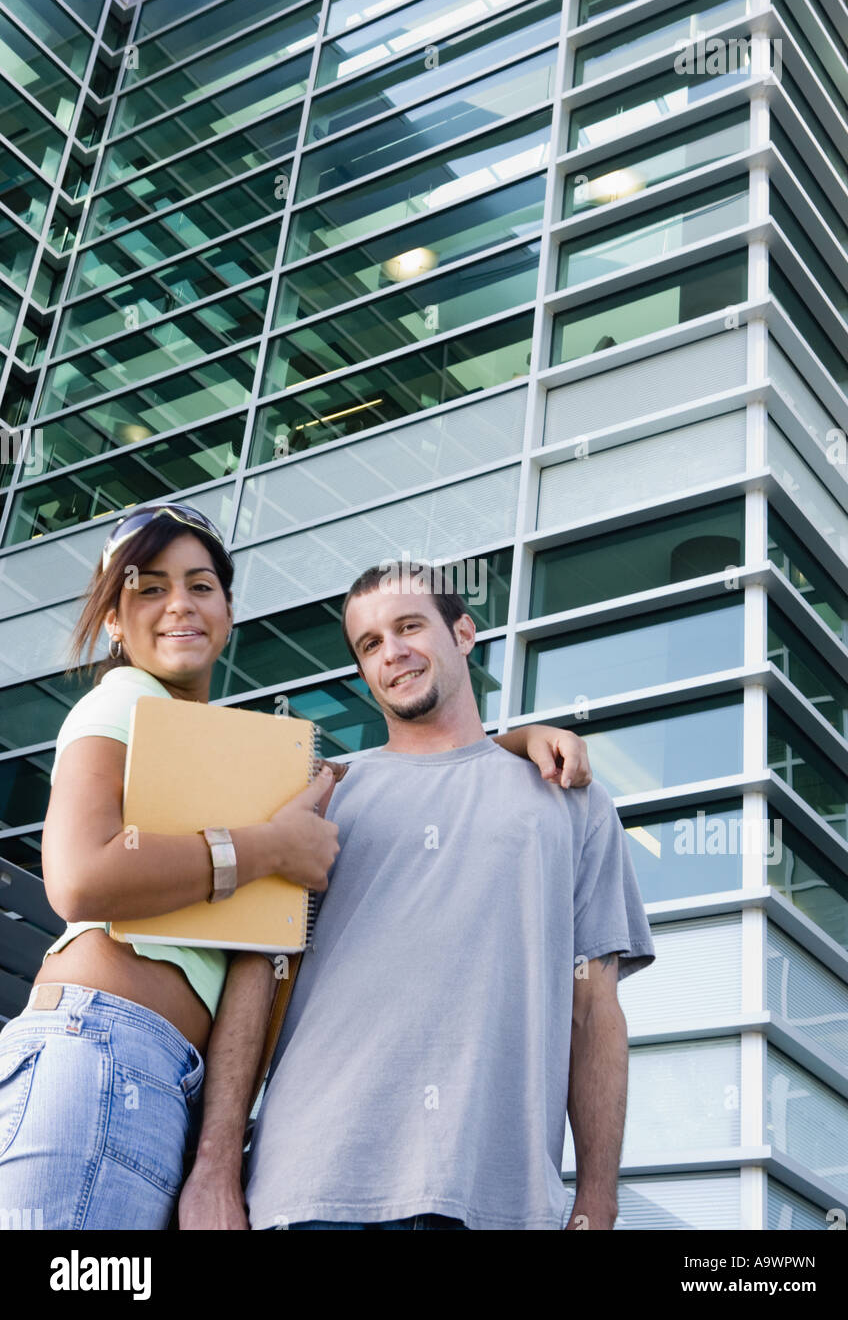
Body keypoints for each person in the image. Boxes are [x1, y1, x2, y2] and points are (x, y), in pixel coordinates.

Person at [0, 505, 590, 1230]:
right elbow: (80, 876)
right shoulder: (123, 699)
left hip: (164, 1076)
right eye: (148, 589)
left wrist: (508, 745)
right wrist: (270, 850)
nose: (179, 604)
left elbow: (409, 773)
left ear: (227, 611)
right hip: (102, 1047)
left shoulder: (213, 747)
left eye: (201, 586)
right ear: (115, 623)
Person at [179, 564, 656, 1232]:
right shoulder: (323, 798)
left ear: (463, 632)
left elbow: (594, 1010)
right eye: (370, 644)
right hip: (312, 1188)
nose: (392, 652)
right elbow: (256, 974)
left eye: (409, 627)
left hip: (502, 1201)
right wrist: (215, 1168)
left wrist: (597, 1201)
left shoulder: (570, 800)